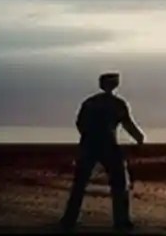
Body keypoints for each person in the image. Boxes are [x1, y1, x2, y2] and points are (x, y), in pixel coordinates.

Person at [60, 72, 145, 231]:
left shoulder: (90, 103)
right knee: (119, 183)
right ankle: (121, 220)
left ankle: (69, 219)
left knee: (80, 183)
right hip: (108, 145)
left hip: (89, 145)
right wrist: (139, 138)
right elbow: (127, 124)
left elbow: (80, 123)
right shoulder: (117, 104)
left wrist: (88, 137)